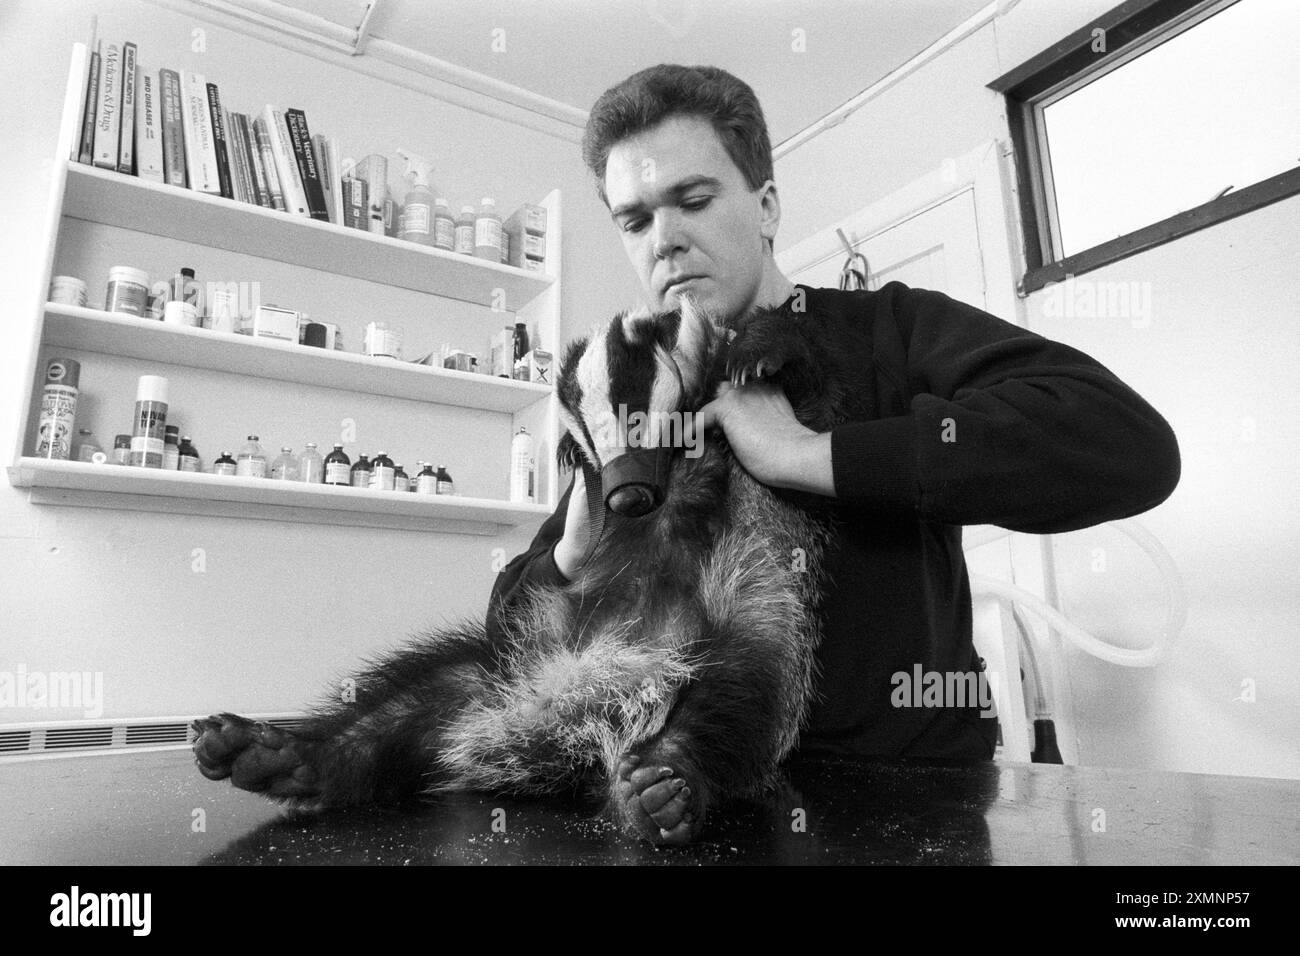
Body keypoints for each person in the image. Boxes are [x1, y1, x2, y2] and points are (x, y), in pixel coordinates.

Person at [486, 64, 1180, 763]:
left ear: (767, 208)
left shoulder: (889, 331)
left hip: (909, 808)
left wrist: (803, 455)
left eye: (692, 200)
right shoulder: (634, 387)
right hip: (685, 805)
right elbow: (508, 629)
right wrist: (574, 550)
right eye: (634, 220)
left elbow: (1125, 444)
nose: (662, 239)